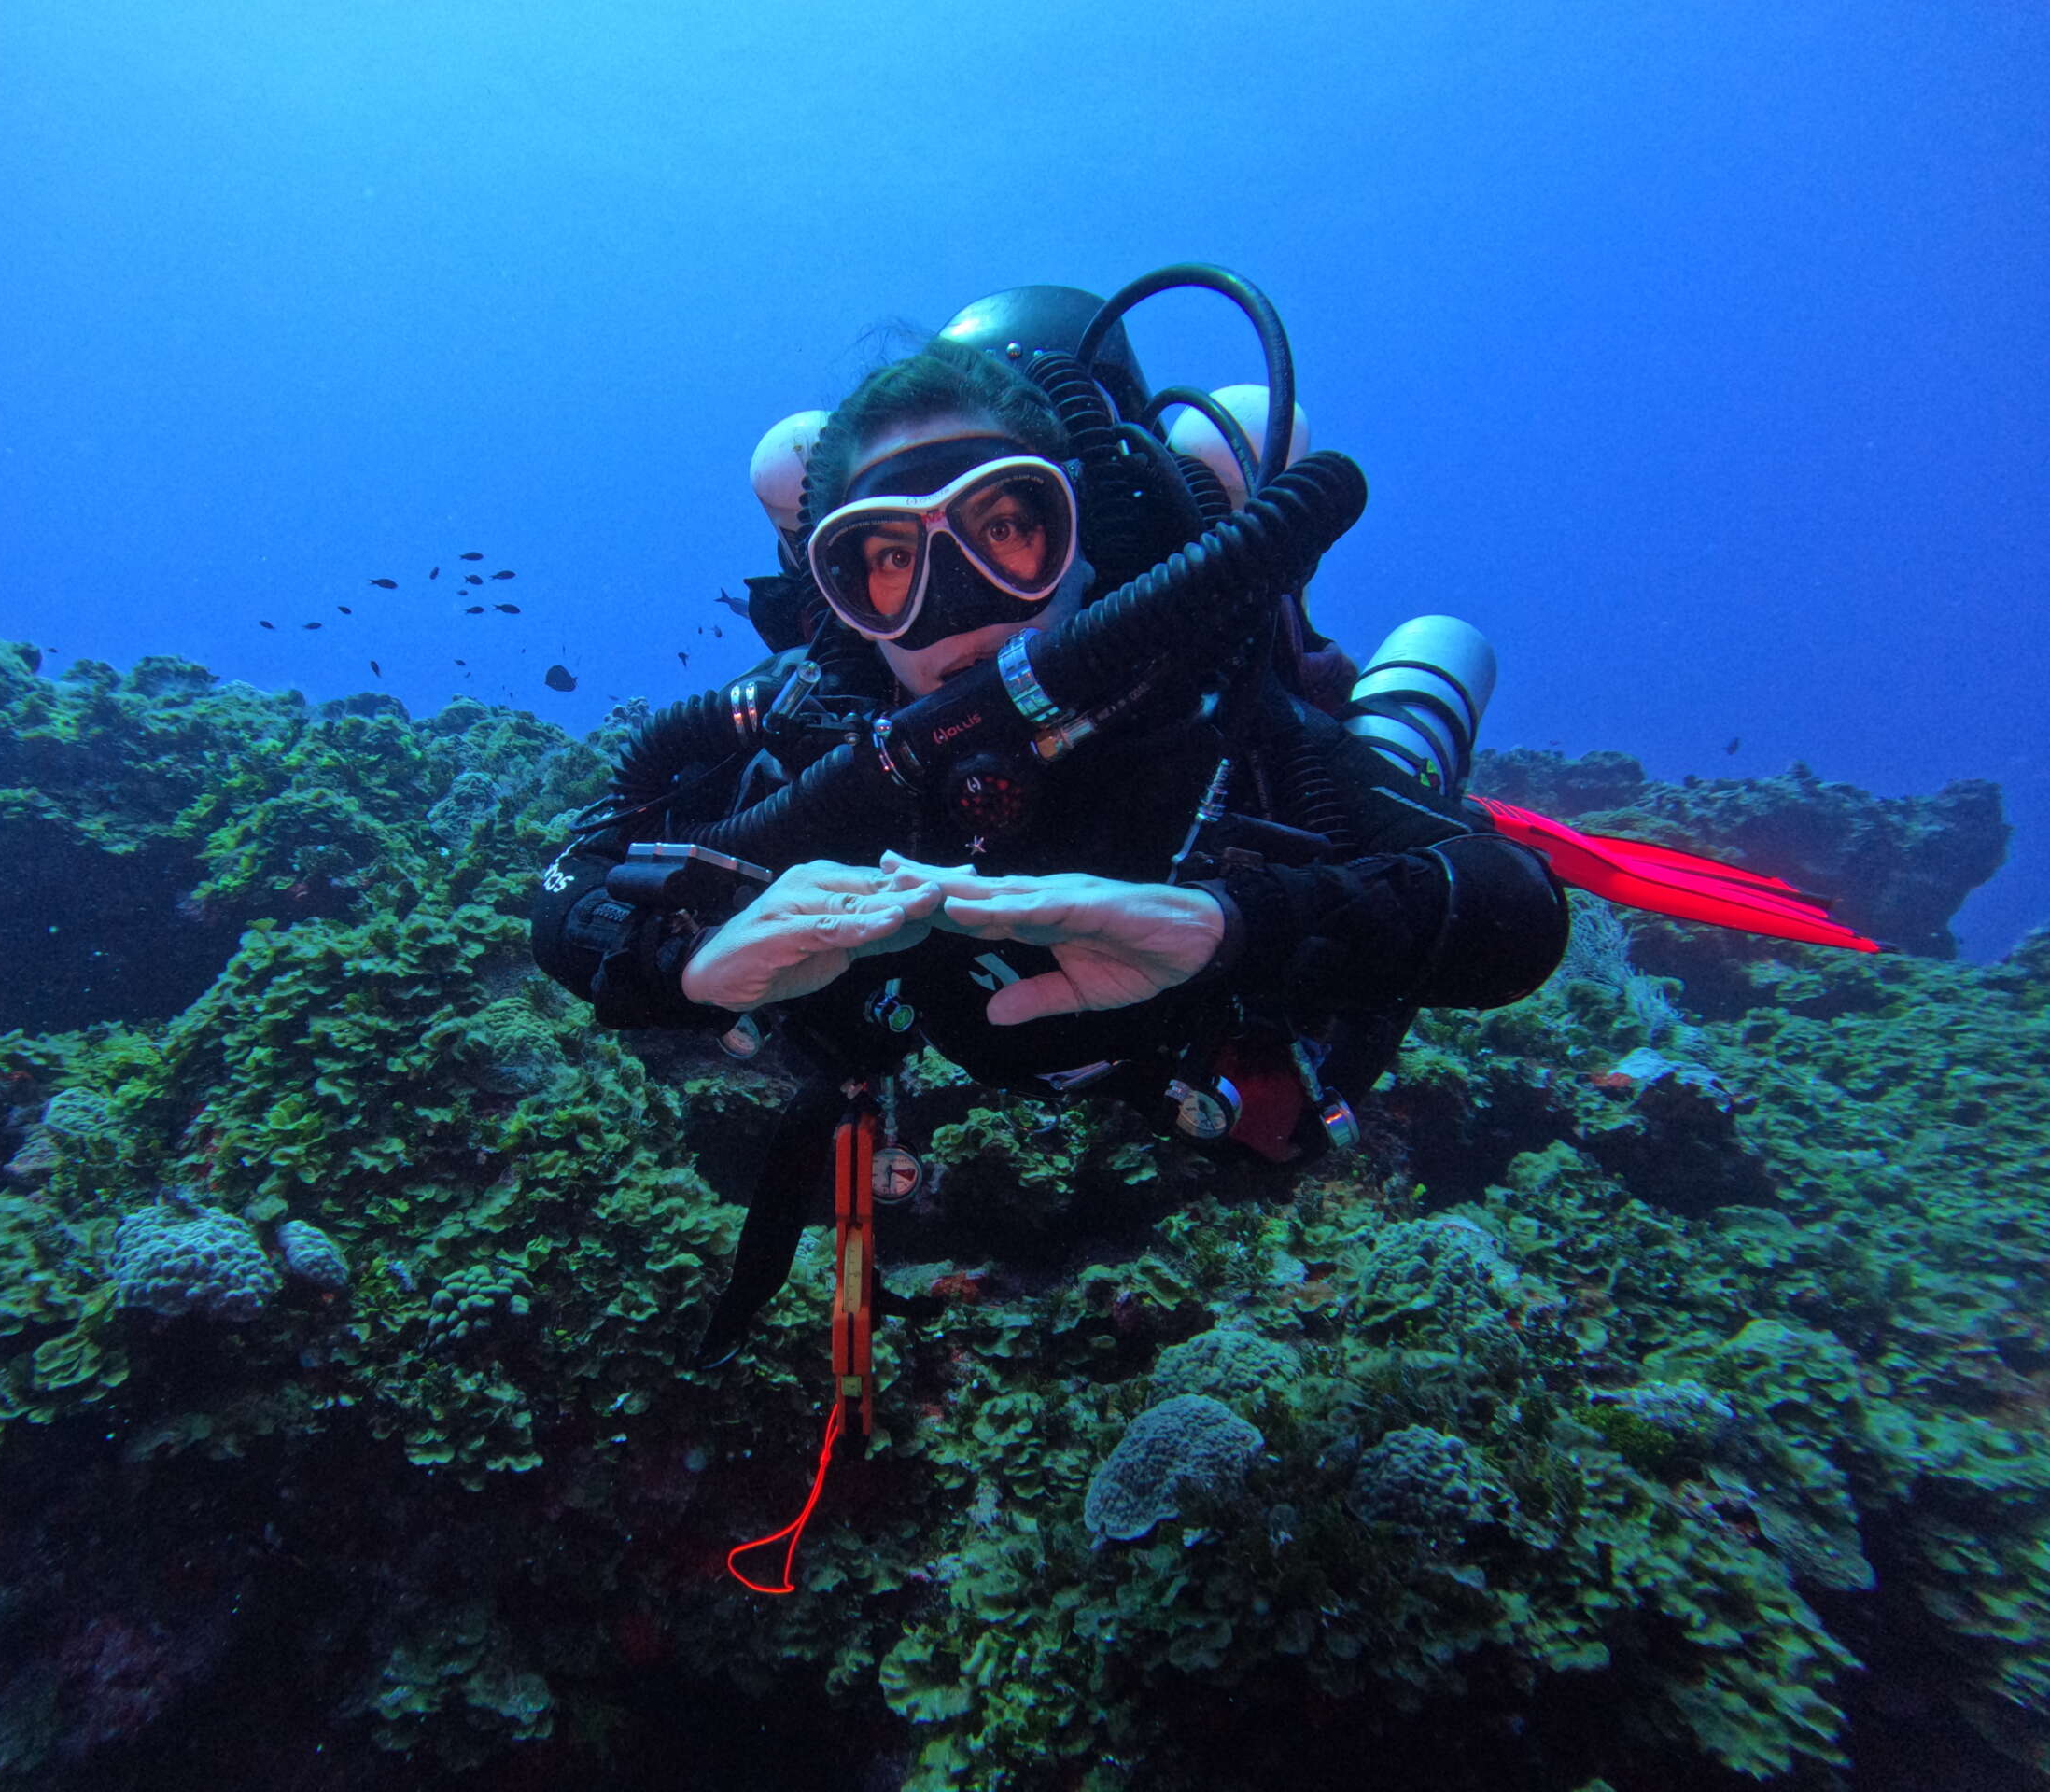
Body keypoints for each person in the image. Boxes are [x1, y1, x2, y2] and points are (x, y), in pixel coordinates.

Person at [531, 273, 1571, 1365]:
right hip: (1015, 1033)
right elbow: (571, 886)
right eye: (888, 559)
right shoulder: (815, 729)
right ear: (835, 592)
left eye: (1005, 528)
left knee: (1276, 1142)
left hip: (1199, 1049)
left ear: (1081, 529)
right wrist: (685, 970)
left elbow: (1514, 913)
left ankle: (1410, 716)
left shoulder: (1196, 704)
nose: (956, 603)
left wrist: (1234, 925)